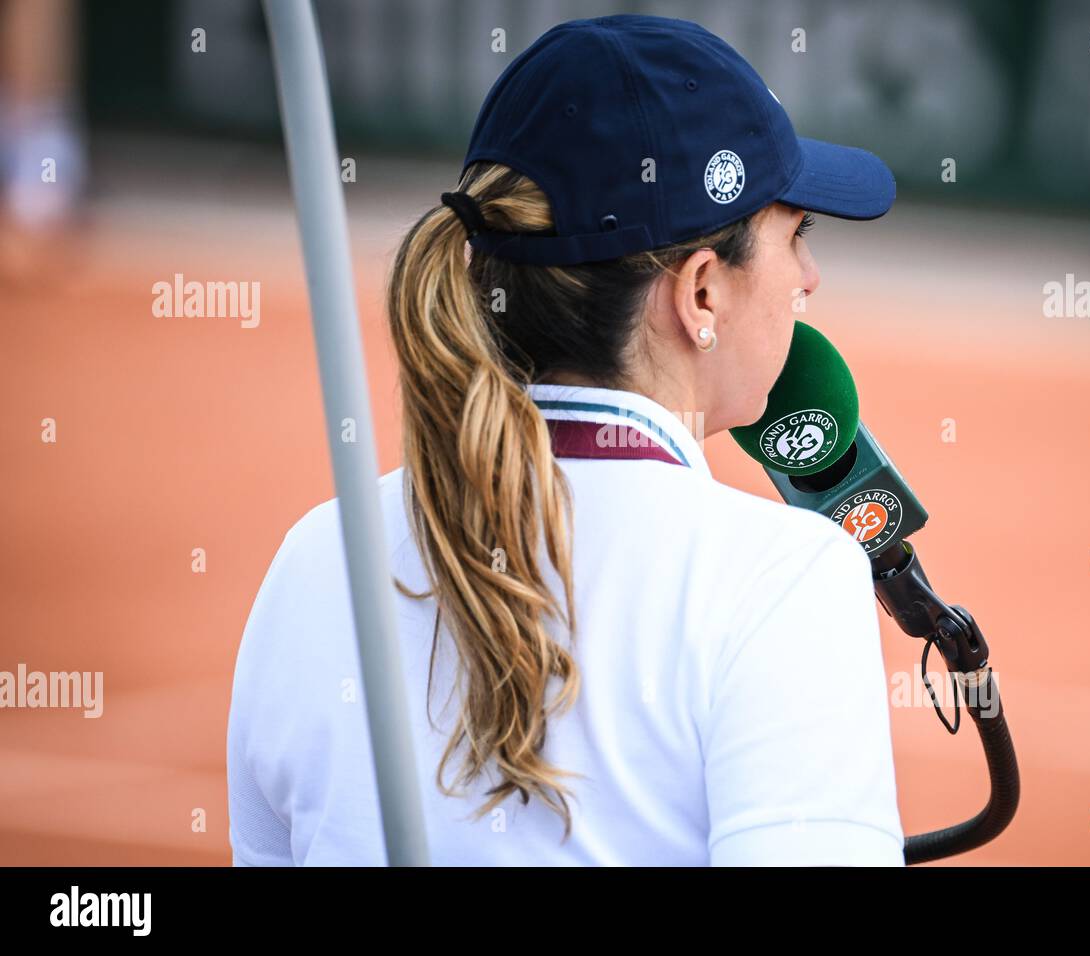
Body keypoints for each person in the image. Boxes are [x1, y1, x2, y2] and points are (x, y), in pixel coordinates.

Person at [228, 13, 904, 866]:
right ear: (701, 294)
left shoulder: (318, 556)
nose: (809, 278)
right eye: (794, 235)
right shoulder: (784, 580)